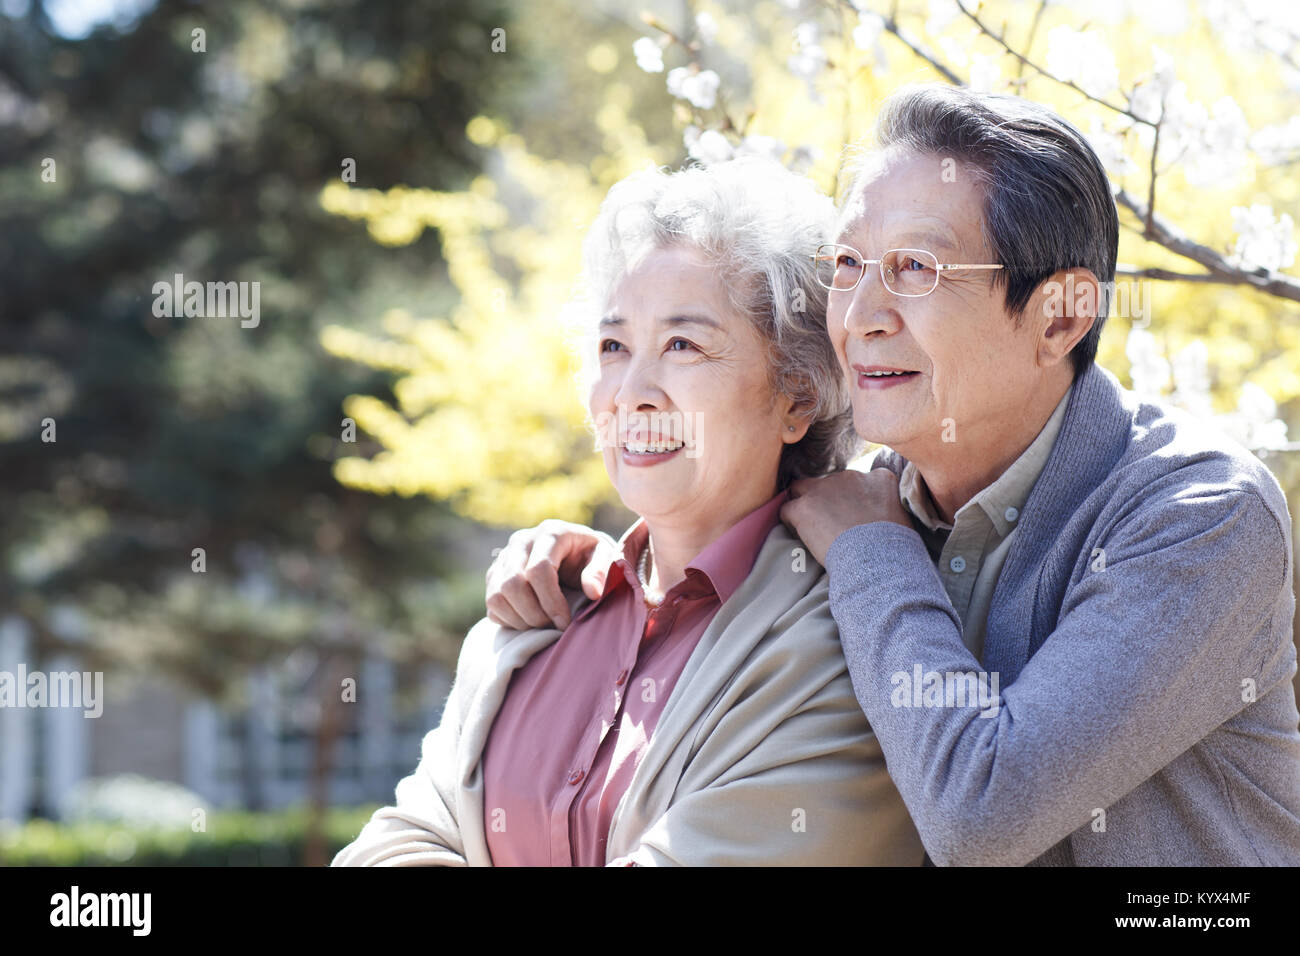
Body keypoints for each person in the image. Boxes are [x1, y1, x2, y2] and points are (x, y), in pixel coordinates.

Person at [488, 85, 1300, 866]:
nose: (861, 314)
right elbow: (708, 543)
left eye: (915, 267)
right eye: (848, 262)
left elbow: (984, 816)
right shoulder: (865, 498)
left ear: (1061, 315)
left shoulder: (1197, 516)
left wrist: (876, 554)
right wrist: (593, 564)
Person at [332, 157, 924, 866]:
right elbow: (395, 843)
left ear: (796, 396)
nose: (632, 391)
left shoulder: (845, 645)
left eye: (683, 344)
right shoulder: (533, 617)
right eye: (614, 346)